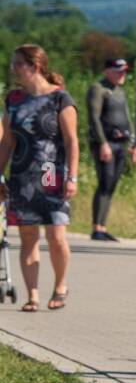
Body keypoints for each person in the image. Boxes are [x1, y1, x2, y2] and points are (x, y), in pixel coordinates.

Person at [0, 46, 78, 311]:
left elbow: (71, 141)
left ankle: (60, 285)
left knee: (56, 233)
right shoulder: (14, 99)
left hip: (50, 174)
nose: (13, 69)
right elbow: (7, 141)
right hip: (21, 176)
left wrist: (72, 177)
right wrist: (0, 174)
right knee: (28, 235)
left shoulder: (60, 99)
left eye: (18, 64)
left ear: (34, 66)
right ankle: (32, 294)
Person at [86, 58, 136, 241]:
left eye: (124, 71)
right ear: (107, 71)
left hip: (122, 142)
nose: (122, 74)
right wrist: (102, 143)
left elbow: (127, 118)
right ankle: (97, 227)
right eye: (118, 71)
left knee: (113, 184)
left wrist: (134, 143)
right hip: (106, 143)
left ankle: (103, 225)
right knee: (105, 182)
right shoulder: (98, 89)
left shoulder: (120, 91)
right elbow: (94, 118)